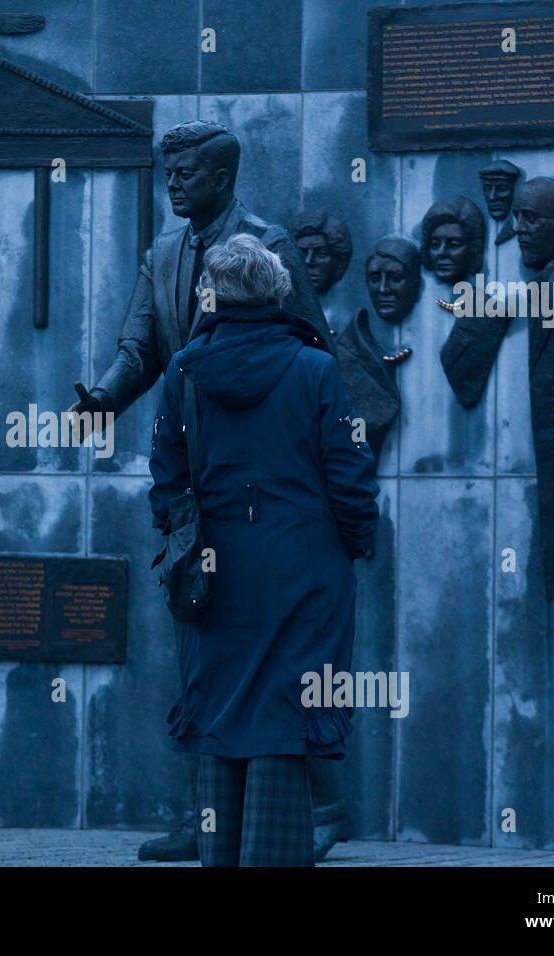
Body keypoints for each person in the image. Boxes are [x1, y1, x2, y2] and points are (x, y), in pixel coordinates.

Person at [69, 119, 330, 863]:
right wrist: (104, 403)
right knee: (201, 648)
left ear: (221, 177)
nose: (174, 182)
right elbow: (140, 348)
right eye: (170, 171)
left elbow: (315, 346)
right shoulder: (161, 253)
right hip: (194, 480)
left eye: (186, 172)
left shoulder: (265, 244)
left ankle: (295, 819)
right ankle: (207, 819)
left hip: (269, 482)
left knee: (276, 655)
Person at [148, 233, 379, 866]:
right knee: (285, 714)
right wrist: (357, 541)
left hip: (214, 573)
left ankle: (221, 855)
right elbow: (348, 473)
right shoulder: (314, 368)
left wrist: (183, 542)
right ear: (277, 293)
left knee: (222, 715)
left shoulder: (183, 372)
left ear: (212, 296)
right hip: (304, 567)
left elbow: (165, 478)